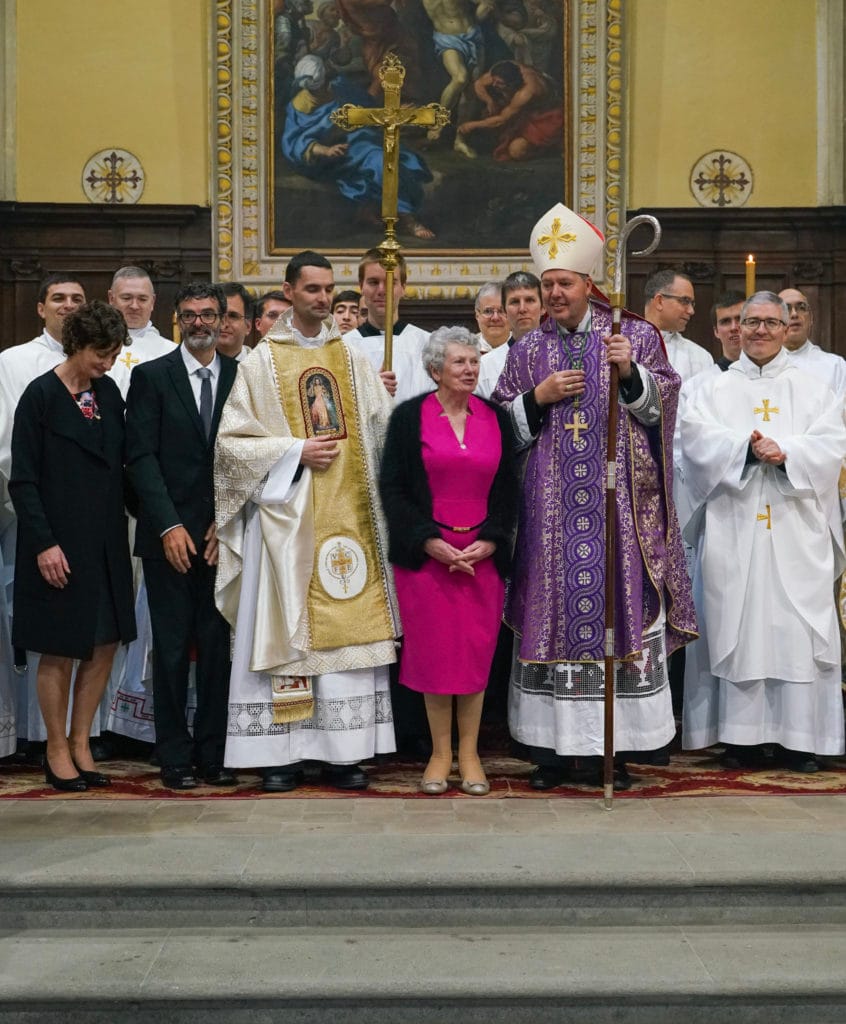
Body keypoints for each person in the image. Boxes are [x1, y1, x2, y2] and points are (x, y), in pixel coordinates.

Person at [491, 202, 697, 791]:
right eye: (547, 284)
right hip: (549, 515)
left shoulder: (633, 333)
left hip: (618, 511)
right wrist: (538, 398)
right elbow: (501, 423)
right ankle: (552, 751)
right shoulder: (527, 348)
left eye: (564, 283)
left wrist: (631, 376)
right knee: (549, 614)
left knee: (619, 612)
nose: (554, 293)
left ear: (588, 283)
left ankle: (620, 749)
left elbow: (666, 408)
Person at [214, 250, 400, 793]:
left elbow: (379, 427)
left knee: (346, 628)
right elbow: (231, 447)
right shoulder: (260, 361)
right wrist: (295, 451)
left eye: (329, 289)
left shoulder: (354, 354)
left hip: (352, 515)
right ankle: (282, 755)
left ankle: (344, 753)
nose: (322, 298)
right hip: (284, 523)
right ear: (289, 291)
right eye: (312, 289)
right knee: (287, 634)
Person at [680, 292, 846, 772]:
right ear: (738, 328)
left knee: (796, 627)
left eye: (770, 322)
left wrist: (787, 450)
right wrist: (744, 449)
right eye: (750, 322)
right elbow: (694, 439)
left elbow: (831, 443)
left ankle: (800, 740)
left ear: (787, 325)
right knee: (736, 619)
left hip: (798, 529)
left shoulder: (815, 388)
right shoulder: (710, 388)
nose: (758, 331)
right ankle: (739, 737)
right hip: (733, 523)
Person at [380, 326, 517, 794]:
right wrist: (427, 542)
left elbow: (510, 490)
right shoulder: (408, 418)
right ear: (435, 369)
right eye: (459, 362)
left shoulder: (497, 417)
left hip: (482, 559)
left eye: (474, 360)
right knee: (436, 655)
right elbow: (394, 491)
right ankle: (441, 754)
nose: (470, 369)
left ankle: (472, 753)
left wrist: (494, 542)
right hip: (427, 560)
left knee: (475, 654)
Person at [9, 301, 136, 791]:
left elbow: (122, 467)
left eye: (112, 353)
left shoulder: (108, 395)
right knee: (59, 649)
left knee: (104, 642)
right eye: (100, 353)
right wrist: (44, 544)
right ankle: (56, 747)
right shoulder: (39, 397)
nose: (106, 362)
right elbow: (23, 480)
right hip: (57, 544)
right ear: (76, 345)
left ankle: (82, 741)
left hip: (104, 540)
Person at [125, 283, 238, 790]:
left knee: (217, 649)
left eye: (208, 314)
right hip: (166, 536)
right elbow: (141, 458)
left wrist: (229, 521)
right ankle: (173, 756)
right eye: (190, 315)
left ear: (222, 320)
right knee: (170, 650)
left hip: (224, 536)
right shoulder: (151, 377)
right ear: (177, 320)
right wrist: (169, 525)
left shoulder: (243, 376)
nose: (199, 323)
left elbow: (252, 454)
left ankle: (213, 755)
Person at [0, 273, 87, 757]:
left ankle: (76, 734)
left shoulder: (100, 363)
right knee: (30, 621)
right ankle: (31, 733)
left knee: (80, 626)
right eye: (59, 298)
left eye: (77, 298)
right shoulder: (13, 363)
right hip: (25, 509)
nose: (68, 306)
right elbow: (6, 439)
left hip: (84, 514)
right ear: (40, 308)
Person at [281, 55, 435, 240]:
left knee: (383, 157)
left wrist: (397, 113)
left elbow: (368, 107)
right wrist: (324, 150)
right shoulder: (299, 106)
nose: (317, 91)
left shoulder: (340, 87)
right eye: (312, 89)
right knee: (379, 160)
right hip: (325, 160)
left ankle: (375, 209)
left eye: (319, 86)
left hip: (356, 141)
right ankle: (407, 218)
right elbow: (292, 142)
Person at [344, 248, 433, 403]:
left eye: (391, 282)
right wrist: (371, 392)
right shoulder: (344, 347)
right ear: (361, 286)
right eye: (373, 282)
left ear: (403, 287)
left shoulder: (427, 344)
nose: (382, 290)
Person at [457, 59, 564, 162]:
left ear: (512, 83)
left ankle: (551, 147)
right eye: (494, 81)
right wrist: (489, 101)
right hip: (522, 112)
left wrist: (472, 125)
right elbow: (479, 84)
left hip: (545, 117)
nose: (494, 85)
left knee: (516, 151)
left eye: (499, 83)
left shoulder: (526, 92)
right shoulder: (504, 70)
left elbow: (501, 119)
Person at [107, 266, 175, 398]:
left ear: (153, 302)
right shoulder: (92, 347)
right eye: (126, 298)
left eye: (142, 299)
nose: (134, 306)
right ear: (111, 298)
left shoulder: (171, 352)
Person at [477, 270, 542, 399]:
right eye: (515, 302)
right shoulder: (485, 366)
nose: (522, 309)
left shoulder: (562, 354)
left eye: (529, 300)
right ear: (505, 311)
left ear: (543, 307)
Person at [643, 268, 713, 382]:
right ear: (659, 301)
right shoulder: (623, 346)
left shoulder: (700, 357)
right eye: (685, 301)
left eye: (692, 303)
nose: (691, 311)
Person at [778, 287, 846, 394]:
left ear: (811, 319)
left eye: (801, 307)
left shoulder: (835, 367)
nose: (794, 314)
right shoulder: (764, 365)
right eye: (786, 309)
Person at [217, 281, 254, 361]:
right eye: (219, 315)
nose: (224, 324)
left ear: (248, 326)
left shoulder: (263, 367)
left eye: (233, 316)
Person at [711, 290, 745, 372]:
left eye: (740, 319)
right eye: (725, 321)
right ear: (716, 332)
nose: (734, 328)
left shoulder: (775, 378)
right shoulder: (702, 383)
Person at [473, 282, 508, 354]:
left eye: (502, 311)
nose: (495, 318)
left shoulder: (525, 349)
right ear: (477, 315)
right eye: (488, 311)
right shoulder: (465, 349)